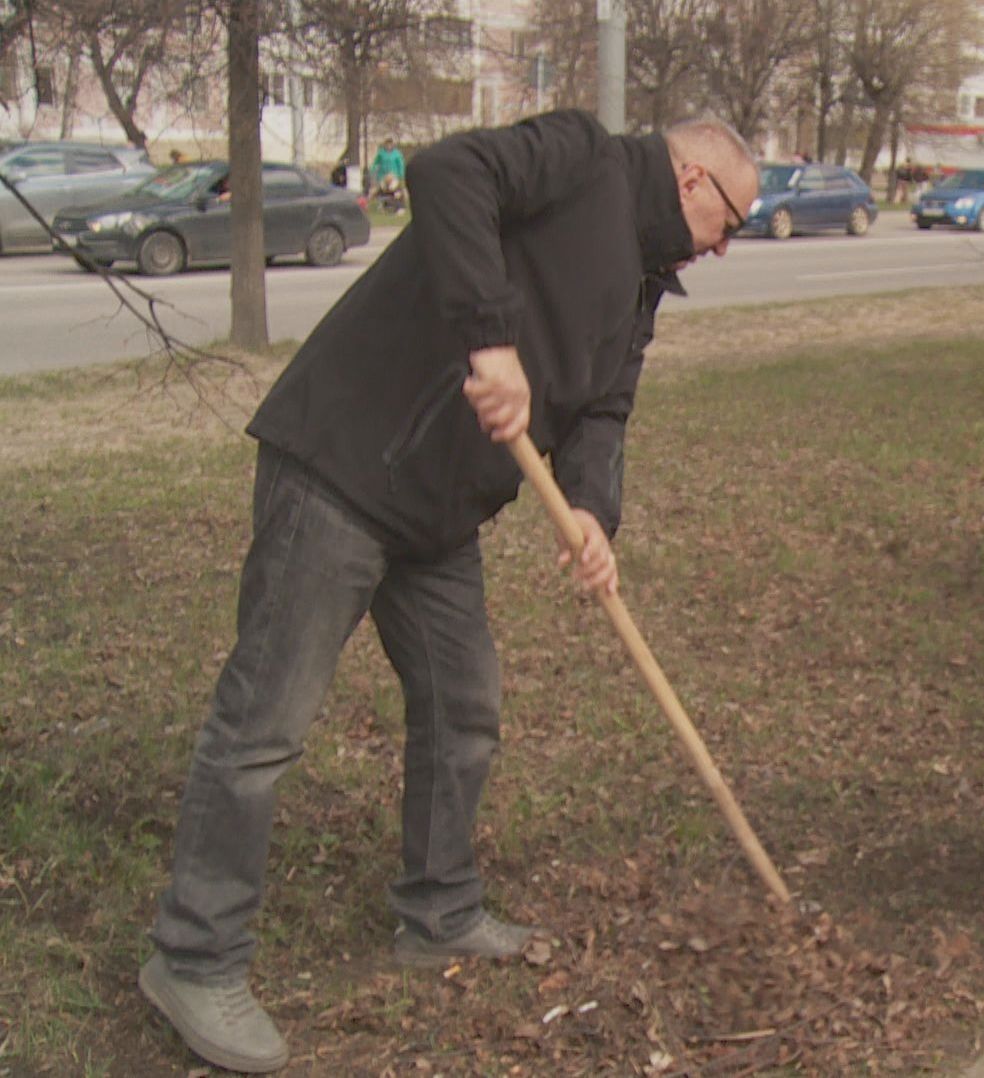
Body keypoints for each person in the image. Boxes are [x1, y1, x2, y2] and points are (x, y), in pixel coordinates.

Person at [138, 110, 758, 1074]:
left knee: (464, 711)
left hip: (438, 516)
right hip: (343, 468)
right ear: (692, 182)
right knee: (263, 727)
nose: (728, 245)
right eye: (733, 221)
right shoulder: (581, 159)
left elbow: (604, 407)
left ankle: (438, 912)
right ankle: (194, 956)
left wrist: (592, 510)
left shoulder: (643, 278)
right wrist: (491, 340)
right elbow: (445, 172)